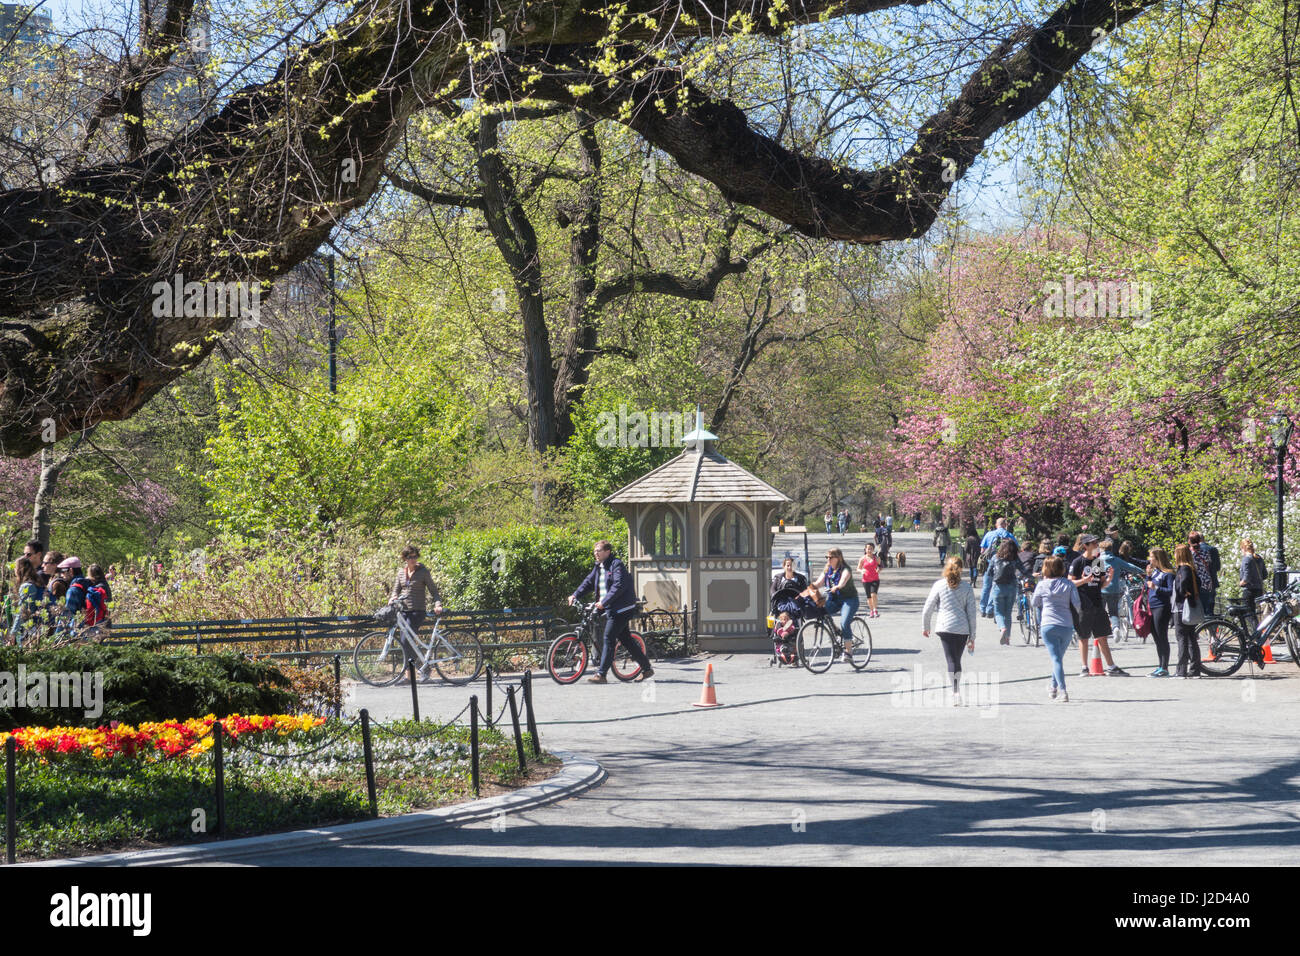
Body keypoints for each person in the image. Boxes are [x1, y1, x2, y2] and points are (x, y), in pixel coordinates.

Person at [570, 540, 654, 683]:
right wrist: (575, 595)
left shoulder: (616, 565)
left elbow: (618, 585)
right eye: (595, 551)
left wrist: (604, 602)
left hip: (622, 608)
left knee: (608, 638)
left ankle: (601, 675)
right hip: (611, 608)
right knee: (626, 640)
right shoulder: (599, 567)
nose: (596, 553)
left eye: (599, 550)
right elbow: (588, 582)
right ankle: (647, 669)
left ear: (607, 552)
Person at [922, 557, 979, 706]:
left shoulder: (939, 585)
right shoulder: (967, 587)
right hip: (962, 629)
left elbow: (928, 607)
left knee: (951, 659)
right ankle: (956, 690)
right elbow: (971, 613)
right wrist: (972, 635)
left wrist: (925, 626)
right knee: (956, 660)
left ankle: (955, 691)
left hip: (944, 627)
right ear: (961, 569)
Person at [1068, 535, 1128, 676]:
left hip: (1097, 602)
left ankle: (1111, 667)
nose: (1097, 546)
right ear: (1086, 546)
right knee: (1083, 637)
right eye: (1094, 543)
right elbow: (1070, 583)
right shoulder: (1077, 562)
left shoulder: (1097, 562)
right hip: (1082, 604)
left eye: (1097, 543)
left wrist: (1109, 578)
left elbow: (1101, 585)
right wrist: (1084, 580)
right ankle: (1084, 667)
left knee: (1102, 636)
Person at [1031, 555, 1081, 701]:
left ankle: (1063, 691)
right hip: (1066, 624)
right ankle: (1053, 687)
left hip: (1048, 624)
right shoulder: (1069, 584)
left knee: (1056, 659)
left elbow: (1034, 603)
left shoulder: (1041, 585)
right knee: (1058, 658)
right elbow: (1077, 604)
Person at [390, 546, 444, 655]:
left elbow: (434, 591)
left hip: (417, 611)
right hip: (403, 612)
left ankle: (419, 665)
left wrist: (438, 605)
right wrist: (393, 597)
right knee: (404, 643)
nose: (413, 559)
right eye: (410, 557)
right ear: (405, 558)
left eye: (415, 556)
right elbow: (395, 590)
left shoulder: (423, 572)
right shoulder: (401, 573)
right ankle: (410, 671)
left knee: (406, 640)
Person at [813, 547, 861, 663]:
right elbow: (818, 583)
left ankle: (848, 652)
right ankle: (836, 631)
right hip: (835, 599)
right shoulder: (827, 570)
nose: (828, 560)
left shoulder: (846, 569)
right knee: (821, 611)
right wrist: (809, 587)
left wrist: (837, 586)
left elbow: (843, 581)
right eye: (827, 557)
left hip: (850, 599)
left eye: (831, 557)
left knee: (844, 622)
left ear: (838, 558)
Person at [1100, 538, 1146, 637]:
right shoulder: (1116, 560)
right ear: (1111, 549)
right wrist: (1142, 571)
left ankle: (1102, 631)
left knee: (1101, 611)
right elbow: (1130, 566)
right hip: (1114, 589)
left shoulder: (1097, 561)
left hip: (1102, 590)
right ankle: (1116, 627)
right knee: (1113, 611)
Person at [1171, 543, 1203, 678]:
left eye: (1175, 552)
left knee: (1182, 638)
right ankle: (1195, 670)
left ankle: (1181, 670)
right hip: (1190, 606)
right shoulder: (1192, 568)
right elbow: (1200, 583)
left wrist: (1181, 593)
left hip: (1182, 608)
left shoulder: (1183, 569)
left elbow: (1182, 584)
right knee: (1191, 639)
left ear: (1179, 554)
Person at [988, 539, 1029, 644]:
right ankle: (1007, 638)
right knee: (1008, 613)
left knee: (998, 612)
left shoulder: (995, 557)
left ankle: (1002, 628)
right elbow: (1023, 570)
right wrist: (1032, 577)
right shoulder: (1014, 558)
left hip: (998, 587)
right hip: (1011, 587)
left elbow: (989, 572)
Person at [978, 517, 1017, 618]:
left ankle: (982, 608)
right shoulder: (1009, 535)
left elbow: (982, 550)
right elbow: (1016, 549)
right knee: (995, 587)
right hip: (1002, 567)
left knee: (986, 587)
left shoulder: (989, 534)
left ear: (996, 524)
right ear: (1005, 525)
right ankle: (989, 609)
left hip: (988, 564)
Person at [1145, 548, 1175, 677]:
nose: (1149, 559)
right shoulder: (1155, 572)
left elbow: (1170, 591)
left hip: (1162, 607)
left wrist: (1155, 587)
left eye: (1151, 557)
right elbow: (1147, 586)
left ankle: (1165, 667)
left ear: (1158, 558)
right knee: (1156, 637)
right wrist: (1148, 575)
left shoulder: (1168, 573)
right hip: (1152, 607)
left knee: (1162, 636)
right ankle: (1160, 666)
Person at [1189, 531, 1219, 616]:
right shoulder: (1208, 551)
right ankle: (1211, 627)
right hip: (1208, 581)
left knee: (1199, 609)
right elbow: (1215, 566)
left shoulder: (1190, 553)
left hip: (1197, 583)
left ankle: (1202, 627)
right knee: (1209, 609)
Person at [1238, 540, 1265, 629]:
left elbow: (1246, 577)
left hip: (1249, 590)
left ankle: (1256, 633)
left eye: (1241, 549)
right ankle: (1258, 631)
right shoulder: (1259, 558)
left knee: (1248, 613)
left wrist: (1241, 583)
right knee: (1254, 613)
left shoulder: (1246, 559)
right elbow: (1265, 574)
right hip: (1259, 589)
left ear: (1244, 548)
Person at [857, 543, 881, 618]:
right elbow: (858, 568)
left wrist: (879, 569)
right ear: (865, 549)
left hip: (875, 579)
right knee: (869, 597)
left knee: (873, 594)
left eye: (871, 548)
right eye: (868, 548)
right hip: (865, 580)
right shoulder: (862, 559)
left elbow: (880, 566)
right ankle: (871, 611)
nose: (869, 550)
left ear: (873, 550)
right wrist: (861, 571)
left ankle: (875, 610)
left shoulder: (876, 558)